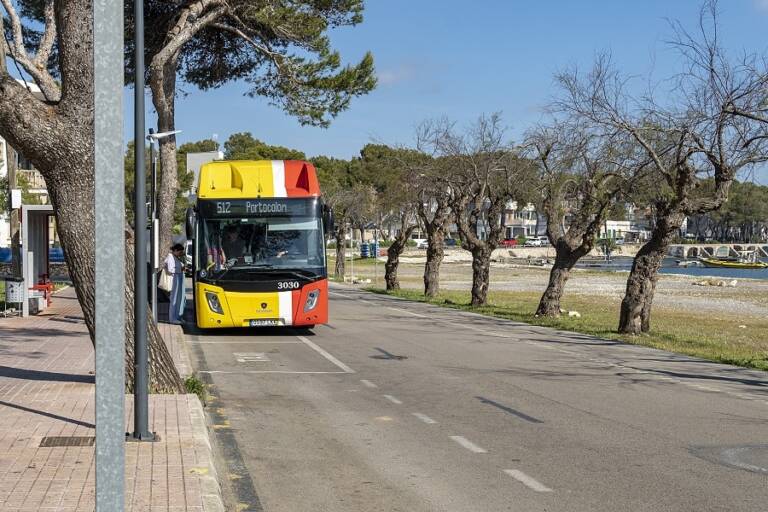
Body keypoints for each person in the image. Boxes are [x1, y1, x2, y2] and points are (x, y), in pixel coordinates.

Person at [165, 243, 186, 324]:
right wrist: (180, 269)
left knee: (178, 299)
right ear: (175, 250)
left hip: (178, 279)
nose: (180, 254)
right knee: (174, 299)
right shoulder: (170, 257)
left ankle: (177, 317)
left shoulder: (175, 257)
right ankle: (172, 318)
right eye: (180, 252)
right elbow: (170, 270)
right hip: (174, 280)